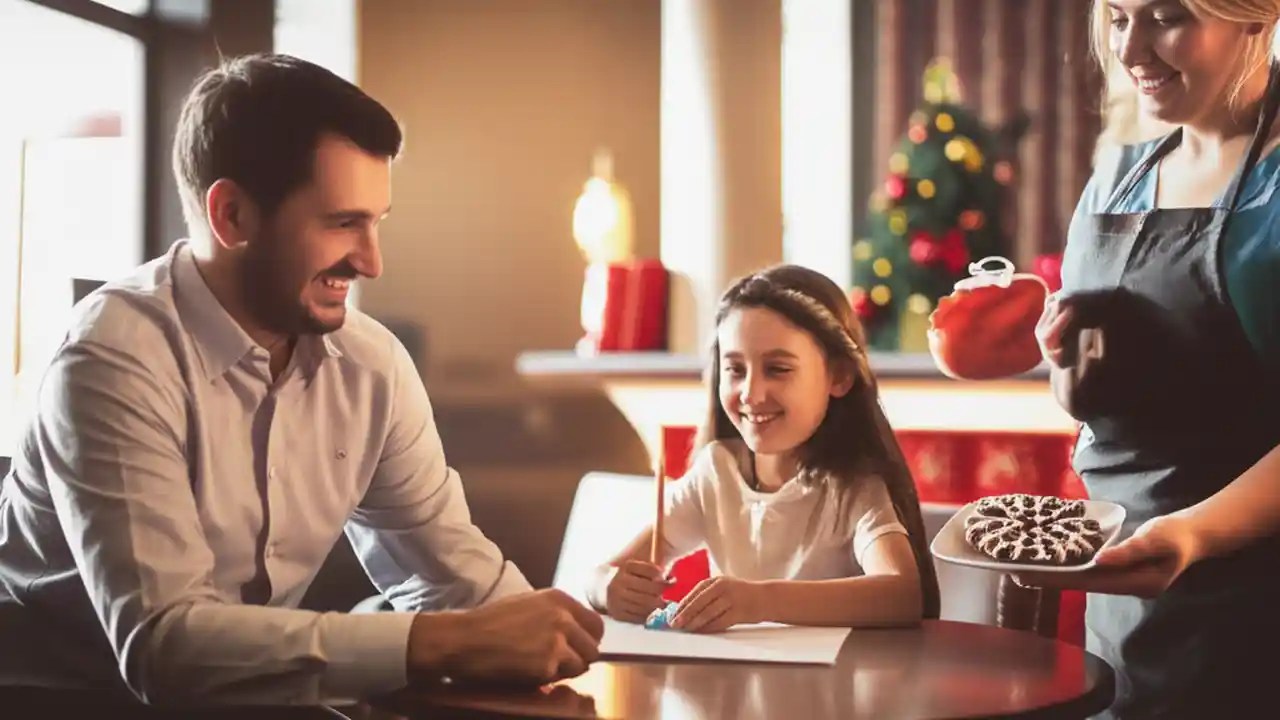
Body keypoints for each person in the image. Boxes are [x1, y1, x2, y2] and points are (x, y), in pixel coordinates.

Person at [0, 53, 602, 714]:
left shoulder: (372, 365)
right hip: (61, 695)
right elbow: (164, 646)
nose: (372, 261)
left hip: (248, 699)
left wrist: (562, 637)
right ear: (231, 216)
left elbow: (456, 580)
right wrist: (444, 642)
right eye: (343, 222)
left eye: (378, 222)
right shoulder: (111, 356)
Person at [1028, 1, 1280, 717]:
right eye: (1116, 18)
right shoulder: (1117, 179)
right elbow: (1088, 402)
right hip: (1128, 597)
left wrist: (1192, 534)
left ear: (1256, 16)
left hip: (1256, 601)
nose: (1132, 48)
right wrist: (1064, 356)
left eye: (1165, 16)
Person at [589, 265, 940, 632]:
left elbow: (901, 594)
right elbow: (605, 573)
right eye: (736, 370)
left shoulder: (851, 486)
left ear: (839, 376)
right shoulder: (716, 473)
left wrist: (758, 601)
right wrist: (606, 587)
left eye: (777, 369)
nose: (751, 394)